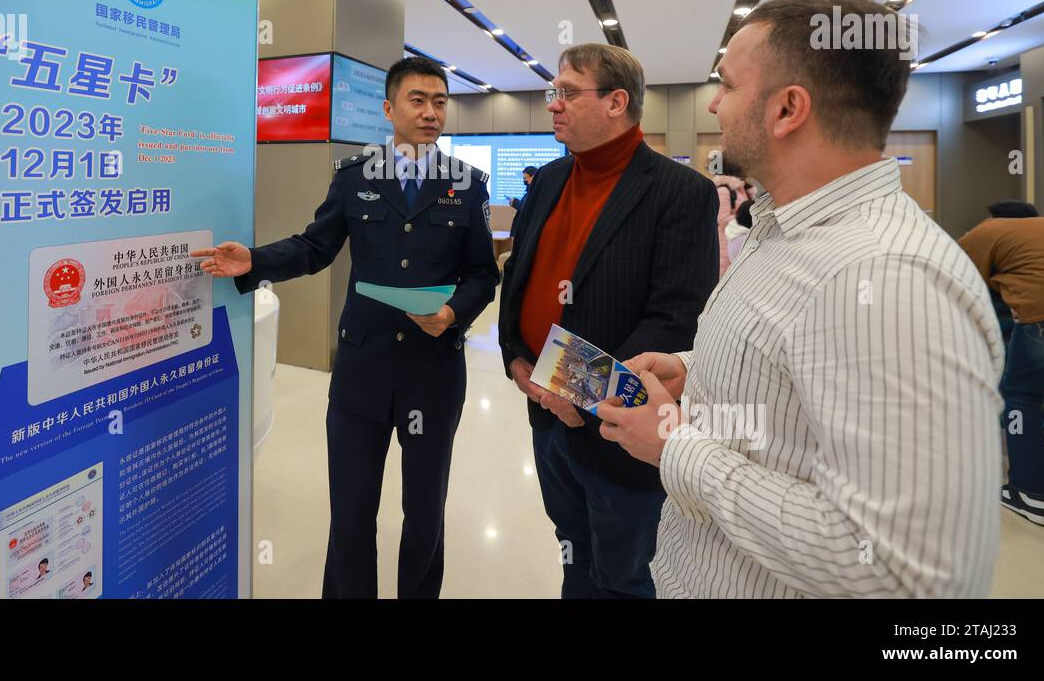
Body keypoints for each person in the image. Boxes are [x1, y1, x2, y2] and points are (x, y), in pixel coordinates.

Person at [595, 0, 1004, 597]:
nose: (714, 104)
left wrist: (675, 446)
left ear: (787, 109)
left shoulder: (886, 276)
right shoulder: (779, 227)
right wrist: (693, 369)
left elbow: (909, 573)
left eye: (728, 86)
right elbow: (793, 372)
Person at [192, 56, 498, 598]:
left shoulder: (468, 186)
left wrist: (452, 313)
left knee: (426, 512)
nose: (431, 112)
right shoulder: (355, 177)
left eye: (440, 102)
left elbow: (481, 273)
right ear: (389, 108)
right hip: (363, 370)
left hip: (434, 371)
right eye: (418, 100)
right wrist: (256, 262)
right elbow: (315, 247)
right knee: (352, 512)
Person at [498, 42, 718, 598]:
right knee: (572, 548)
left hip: (619, 434)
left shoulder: (679, 192)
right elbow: (518, 283)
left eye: (567, 92)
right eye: (554, 93)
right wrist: (517, 359)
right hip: (545, 415)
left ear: (617, 101)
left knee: (624, 574)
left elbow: (675, 315)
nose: (553, 105)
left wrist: (578, 390)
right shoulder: (547, 182)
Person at [959, 200, 1044, 527]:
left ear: (994, 217)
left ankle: (1029, 492)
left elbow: (959, 276)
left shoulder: (989, 229)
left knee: (1020, 396)